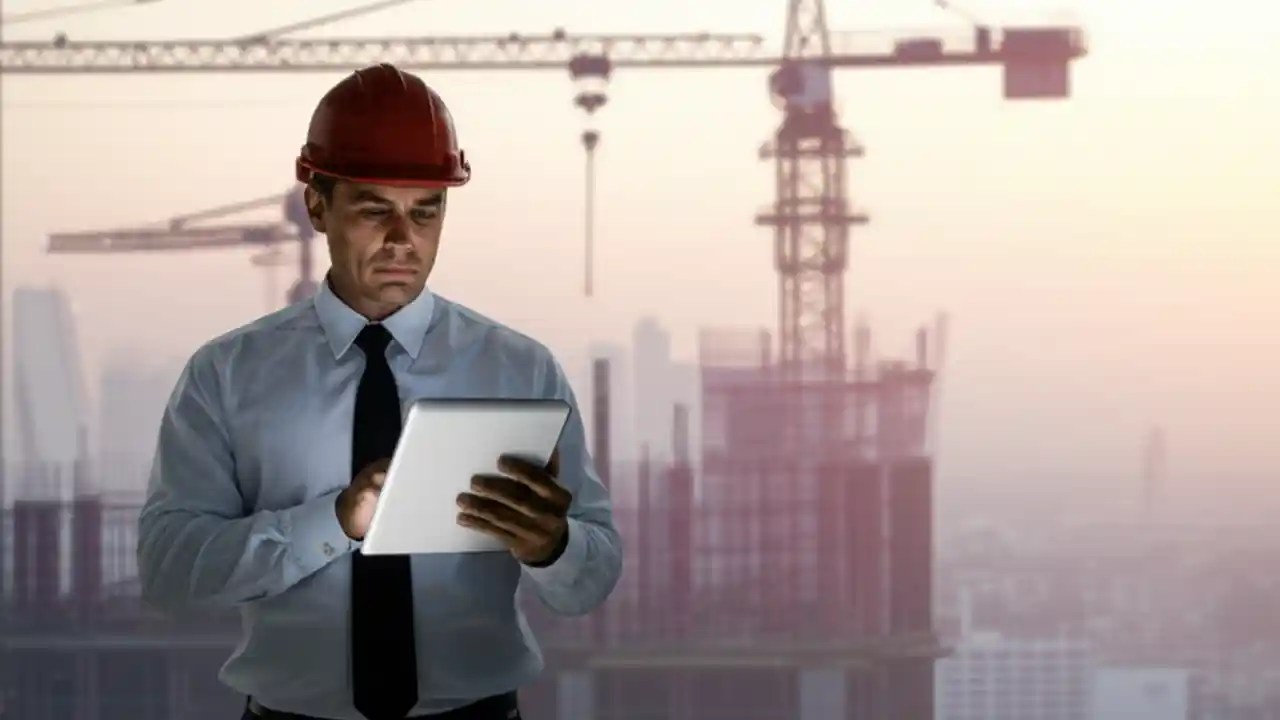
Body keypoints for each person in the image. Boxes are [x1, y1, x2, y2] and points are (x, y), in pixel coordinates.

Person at [136, 63, 623, 720]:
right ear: (316, 204)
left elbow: (592, 577)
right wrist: (333, 523)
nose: (404, 240)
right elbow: (168, 572)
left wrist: (552, 546)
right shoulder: (227, 376)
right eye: (375, 211)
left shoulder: (519, 370)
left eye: (426, 212)